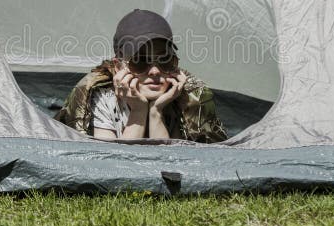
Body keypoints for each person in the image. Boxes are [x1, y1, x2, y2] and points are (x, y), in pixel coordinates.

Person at [54, 9, 227, 143]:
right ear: (119, 66)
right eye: (140, 61)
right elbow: (114, 166)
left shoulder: (181, 97)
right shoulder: (102, 97)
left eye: (164, 60)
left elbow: (171, 163)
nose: (155, 71)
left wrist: (156, 112)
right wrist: (138, 110)